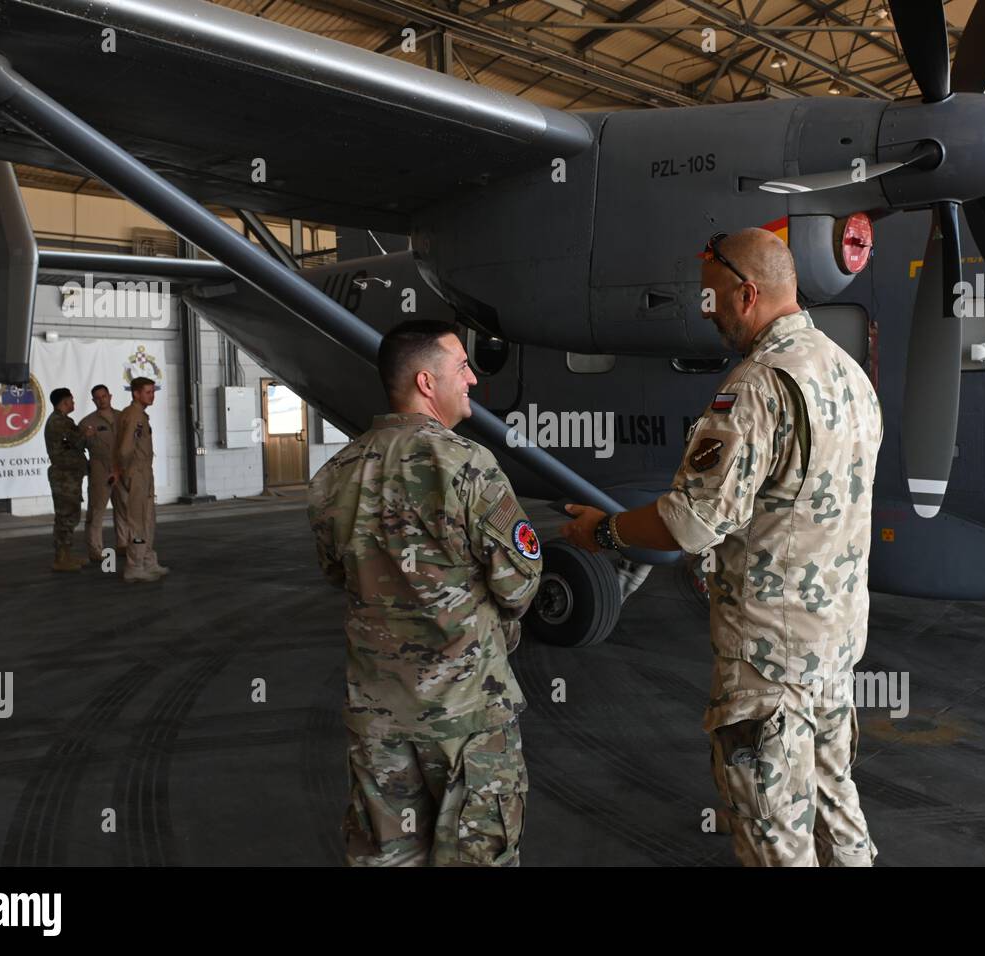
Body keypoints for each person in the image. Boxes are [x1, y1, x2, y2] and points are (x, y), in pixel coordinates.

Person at [563, 228, 884, 867]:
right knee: (835, 814)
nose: (708, 316)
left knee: (775, 839)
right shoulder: (848, 374)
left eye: (711, 299)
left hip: (769, 662)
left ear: (746, 293)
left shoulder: (760, 384)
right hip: (832, 647)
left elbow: (691, 523)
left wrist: (602, 531)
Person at [307, 319, 542, 866]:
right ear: (425, 382)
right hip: (468, 720)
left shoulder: (334, 475)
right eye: (462, 367)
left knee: (385, 858)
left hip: (378, 719)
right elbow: (519, 584)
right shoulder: (467, 466)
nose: (474, 380)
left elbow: (337, 574)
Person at [113, 376, 167, 583]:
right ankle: (135, 565)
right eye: (148, 392)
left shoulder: (138, 414)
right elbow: (125, 449)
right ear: (136, 393)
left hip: (143, 472)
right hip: (137, 473)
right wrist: (127, 472)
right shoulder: (135, 416)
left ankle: (147, 560)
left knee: (147, 519)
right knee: (137, 522)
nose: (152, 396)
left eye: (153, 392)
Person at [43, 387, 94, 572]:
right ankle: (61, 559)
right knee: (66, 517)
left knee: (68, 516)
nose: (73, 403)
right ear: (64, 402)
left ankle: (66, 555)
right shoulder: (60, 422)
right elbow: (77, 442)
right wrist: (86, 434)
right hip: (65, 476)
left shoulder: (60, 420)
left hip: (69, 475)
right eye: (71, 401)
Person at [79, 384, 128, 565]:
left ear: (110, 396)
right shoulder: (87, 422)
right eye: (97, 398)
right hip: (100, 469)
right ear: (93, 400)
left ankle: (123, 544)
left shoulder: (122, 417)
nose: (101, 400)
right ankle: (95, 550)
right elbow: (77, 446)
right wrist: (85, 436)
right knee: (96, 511)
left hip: (121, 469)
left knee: (123, 507)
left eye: (104, 396)